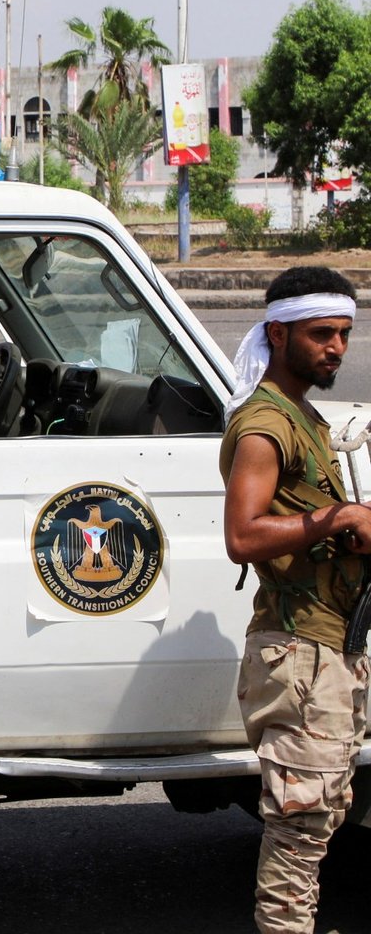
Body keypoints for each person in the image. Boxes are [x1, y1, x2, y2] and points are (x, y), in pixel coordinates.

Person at [220, 265, 371, 934]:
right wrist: (340, 520)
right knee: (299, 831)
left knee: (319, 816)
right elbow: (243, 534)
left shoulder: (303, 415)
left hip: (328, 644)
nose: (336, 347)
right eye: (321, 334)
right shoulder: (264, 425)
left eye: (344, 334)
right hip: (298, 649)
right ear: (277, 334)